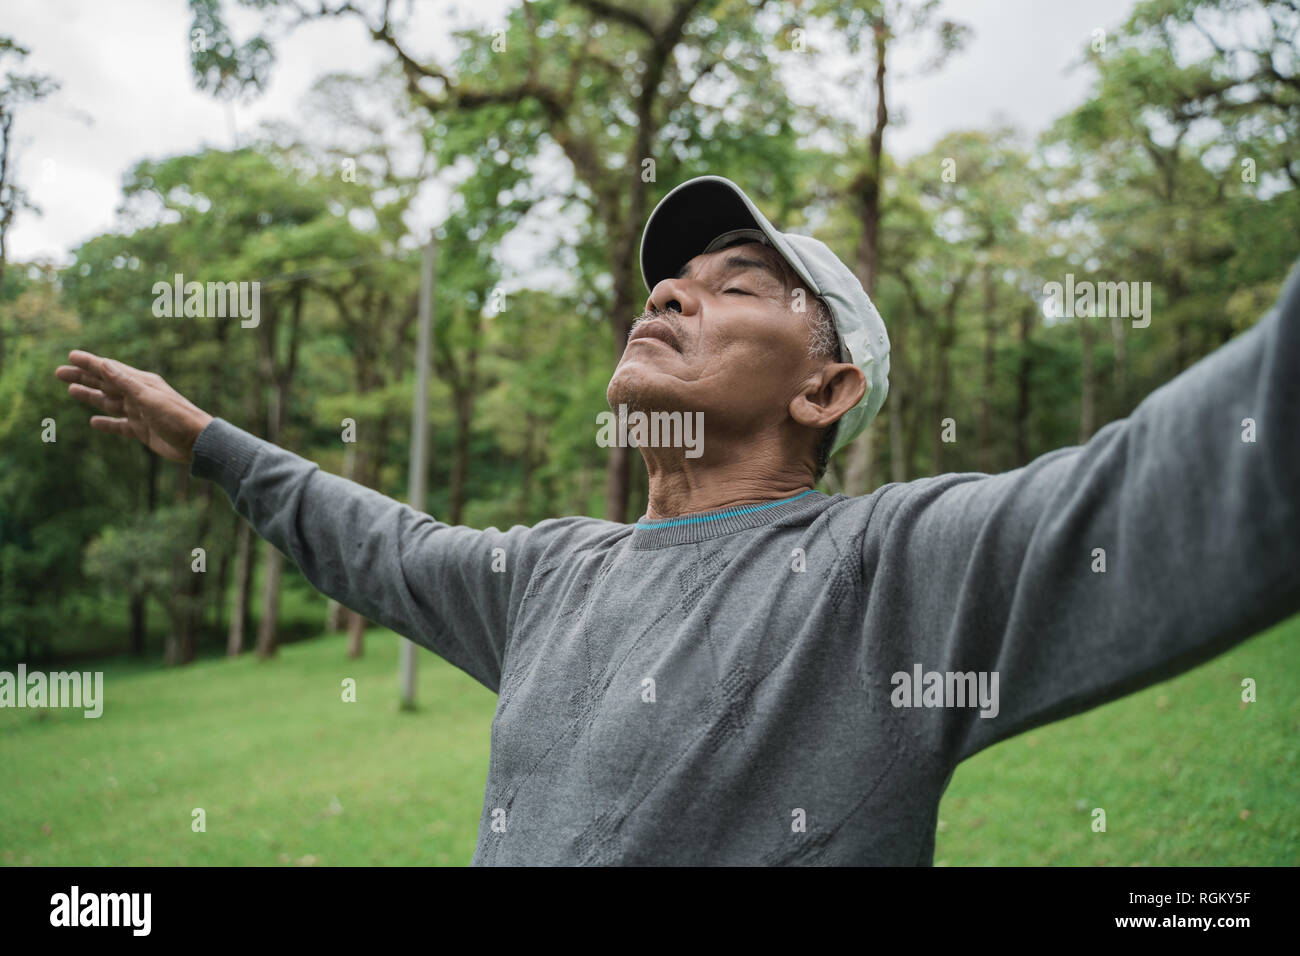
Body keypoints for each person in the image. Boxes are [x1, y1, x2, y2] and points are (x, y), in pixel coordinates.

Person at [57, 175, 1300, 865]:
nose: (667, 292)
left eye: (737, 286)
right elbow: (374, 540)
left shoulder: (892, 571)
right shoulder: (546, 575)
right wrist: (210, 441)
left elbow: (1190, 465)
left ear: (825, 388)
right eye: (669, 279)